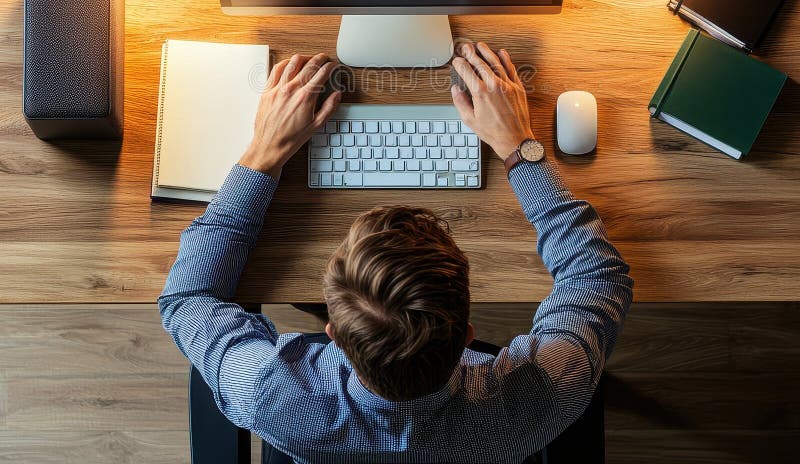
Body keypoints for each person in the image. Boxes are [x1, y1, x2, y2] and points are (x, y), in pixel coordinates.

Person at [159, 42, 633, 463]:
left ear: (333, 336)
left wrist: (262, 154)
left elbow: (186, 300)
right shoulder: (536, 401)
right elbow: (597, 277)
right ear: (468, 336)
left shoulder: (270, 398)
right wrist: (518, 147)